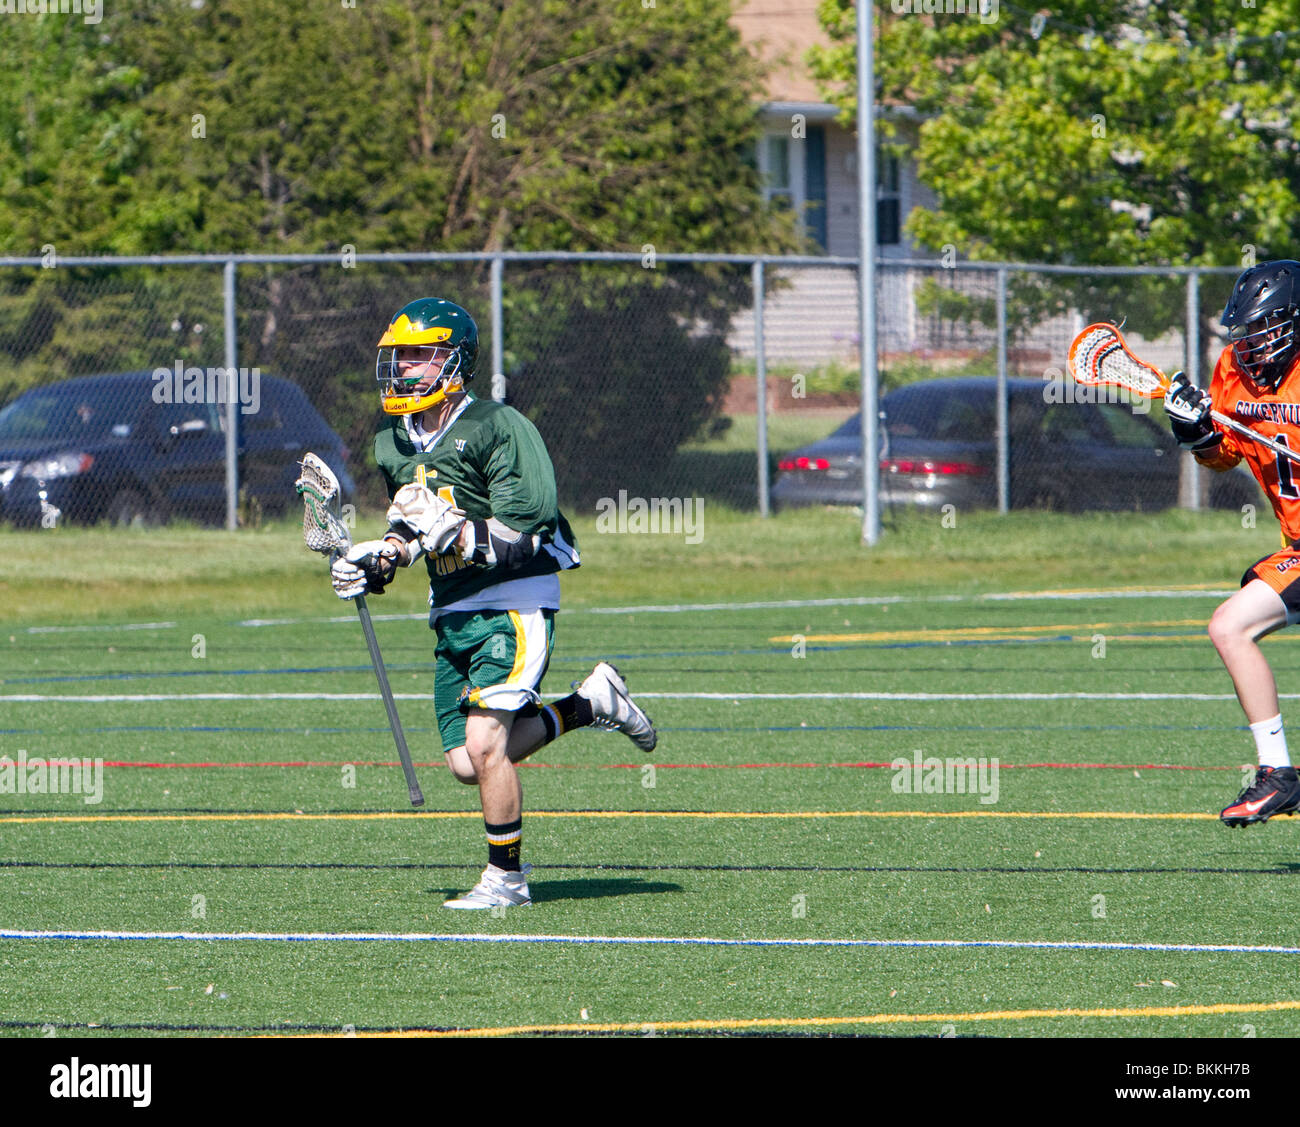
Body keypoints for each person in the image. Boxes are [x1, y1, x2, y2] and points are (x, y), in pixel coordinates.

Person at [330, 297, 657, 906]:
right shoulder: (392, 441)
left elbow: (526, 532)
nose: (404, 368)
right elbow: (409, 526)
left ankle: (506, 880)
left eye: (419, 355)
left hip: (514, 599)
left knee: (485, 746)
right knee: (466, 762)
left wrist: (452, 532)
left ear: (454, 361)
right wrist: (379, 560)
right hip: (452, 604)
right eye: (399, 356)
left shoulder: (498, 427)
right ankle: (589, 704)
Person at [1165, 259, 1300, 826]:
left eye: (1264, 328)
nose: (1250, 343)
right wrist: (1196, 431)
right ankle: (1278, 774)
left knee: (1231, 625)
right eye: (1244, 331)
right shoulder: (1234, 370)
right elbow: (1223, 455)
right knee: (1230, 626)